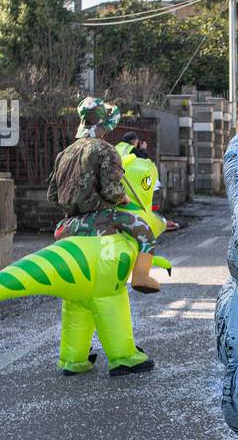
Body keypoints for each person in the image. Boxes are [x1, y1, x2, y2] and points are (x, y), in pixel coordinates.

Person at [47, 96, 163, 294]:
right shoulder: (105, 150)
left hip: (66, 225)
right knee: (146, 233)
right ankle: (141, 277)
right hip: (100, 220)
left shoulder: (64, 153)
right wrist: (124, 197)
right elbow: (111, 190)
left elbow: (52, 195)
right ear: (103, 126)